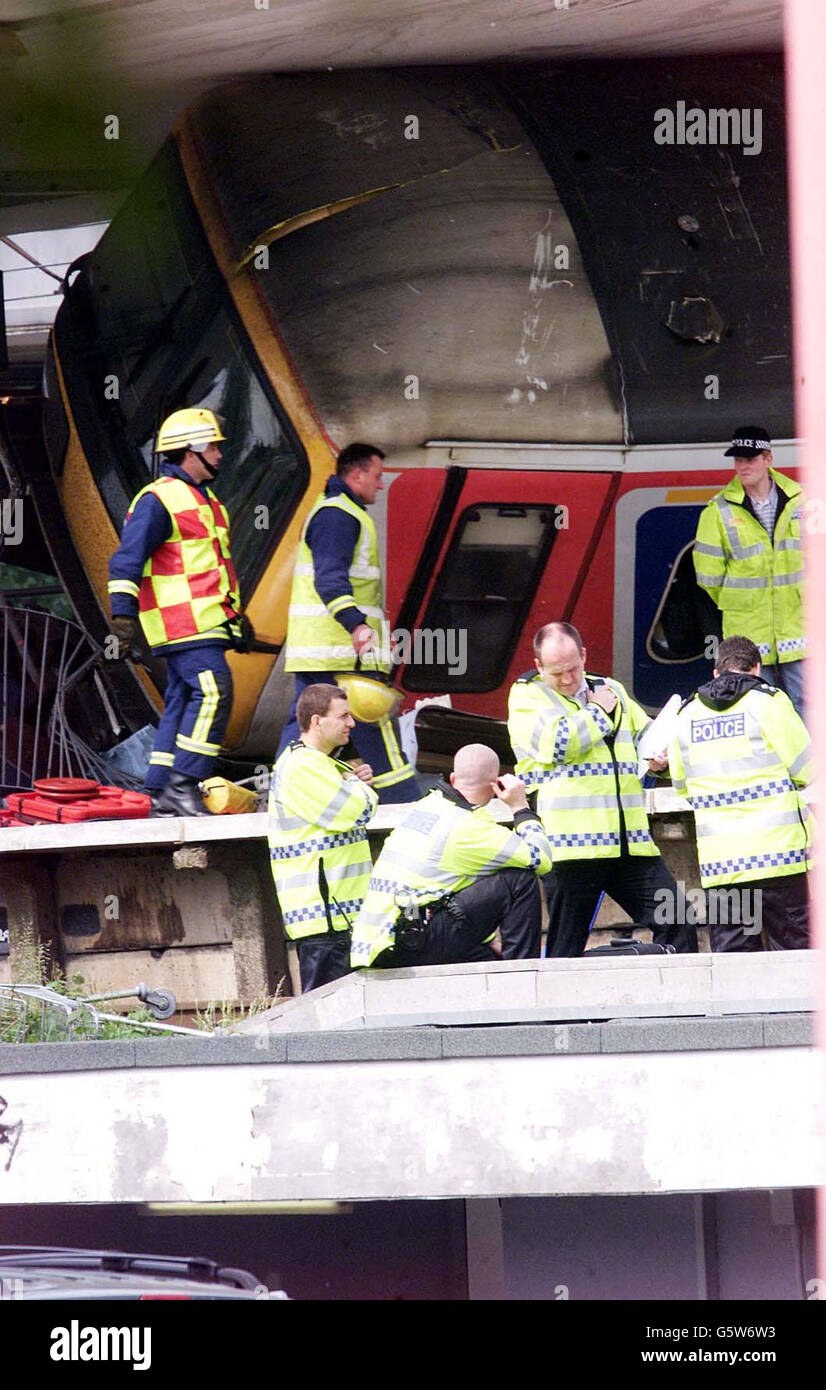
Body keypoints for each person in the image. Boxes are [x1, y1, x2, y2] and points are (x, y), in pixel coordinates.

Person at [507, 622, 697, 957]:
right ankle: (561, 1010)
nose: (567, 679)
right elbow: (557, 744)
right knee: (565, 946)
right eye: (556, 673)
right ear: (538, 667)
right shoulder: (527, 696)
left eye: (573, 669)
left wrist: (659, 758)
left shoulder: (611, 688)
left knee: (678, 918)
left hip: (630, 844)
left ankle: (682, 1006)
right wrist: (598, 711)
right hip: (572, 848)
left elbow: (645, 735)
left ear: (583, 655)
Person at [107, 408, 253, 816]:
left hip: (203, 623)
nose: (221, 454)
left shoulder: (209, 502)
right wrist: (122, 614)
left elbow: (214, 570)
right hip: (181, 625)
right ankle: (184, 783)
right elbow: (126, 560)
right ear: (189, 452)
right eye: (212, 446)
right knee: (213, 692)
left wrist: (236, 619)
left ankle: (159, 789)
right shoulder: (158, 499)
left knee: (183, 698)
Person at [278, 442, 420, 803]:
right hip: (344, 652)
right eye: (377, 476)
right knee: (376, 722)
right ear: (356, 475)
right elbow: (330, 579)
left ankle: (284, 795)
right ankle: (404, 804)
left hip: (327, 650)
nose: (381, 484)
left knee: (305, 725)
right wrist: (356, 624)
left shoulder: (337, 512)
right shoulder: (339, 516)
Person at [350, 742, 552, 969]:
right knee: (519, 880)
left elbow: (451, 882)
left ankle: (503, 967)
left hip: (382, 943)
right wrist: (520, 806)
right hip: (412, 938)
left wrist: (487, 940)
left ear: (453, 778)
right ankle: (522, 975)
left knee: (487, 960)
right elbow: (540, 859)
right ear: (496, 785)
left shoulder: (426, 806)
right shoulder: (471, 827)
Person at [668, 635, 812, 952]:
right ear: (756, 669)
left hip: (722, 865)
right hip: (779, 859)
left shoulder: (687, 714)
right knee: (796, 956)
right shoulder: (770, 702)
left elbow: (682, 786)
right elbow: (807, 769)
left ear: (716, 672)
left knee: (735, 965)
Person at [269, 683, 377, 992]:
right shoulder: (305, 766)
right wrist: (359, 787)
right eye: (343, 716)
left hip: (333, 916)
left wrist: (350, 782)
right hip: (325, 918)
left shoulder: (318, 763)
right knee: (325, 1025)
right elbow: (357, 811)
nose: (351, 724)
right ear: (317, 721)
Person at [693, 425, 806, 719]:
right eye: (738, 459)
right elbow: (707, 577)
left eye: (751, 459)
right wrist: (740, 601)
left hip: (800, 631)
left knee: (809, 710)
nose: (743, 466)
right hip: (748, 639)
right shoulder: (718, 511)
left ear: (768, 459)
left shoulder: (803, 503)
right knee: (755, 714)